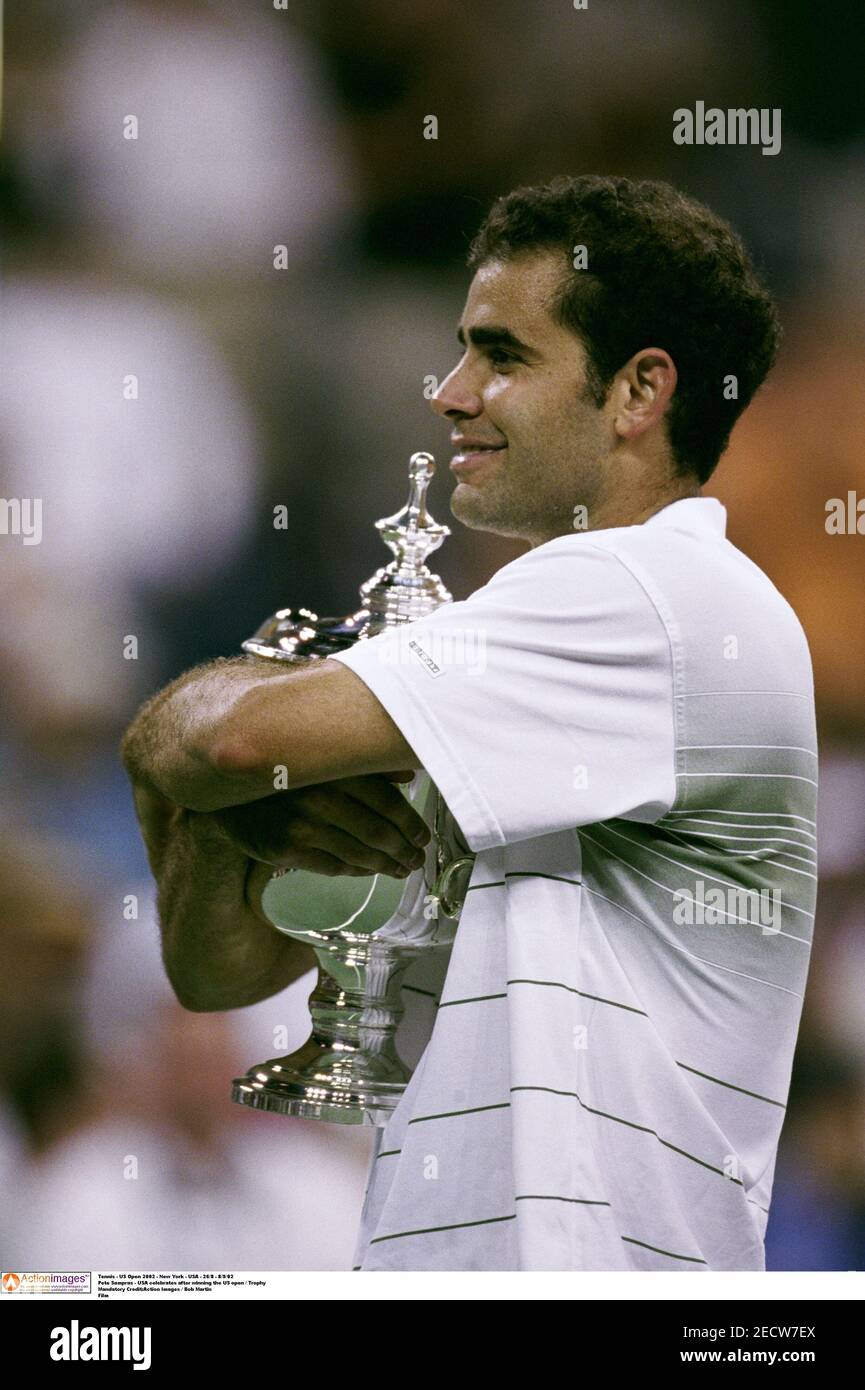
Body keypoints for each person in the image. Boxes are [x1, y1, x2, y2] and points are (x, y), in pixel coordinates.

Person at [122, 175, 817, 1272]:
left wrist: (183, 748)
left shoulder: (646, 591)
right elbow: (217, 970)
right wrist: (238, 823)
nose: (450, 392)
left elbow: (228, 744)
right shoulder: (538, 656)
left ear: (639, 390)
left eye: (502, 353)